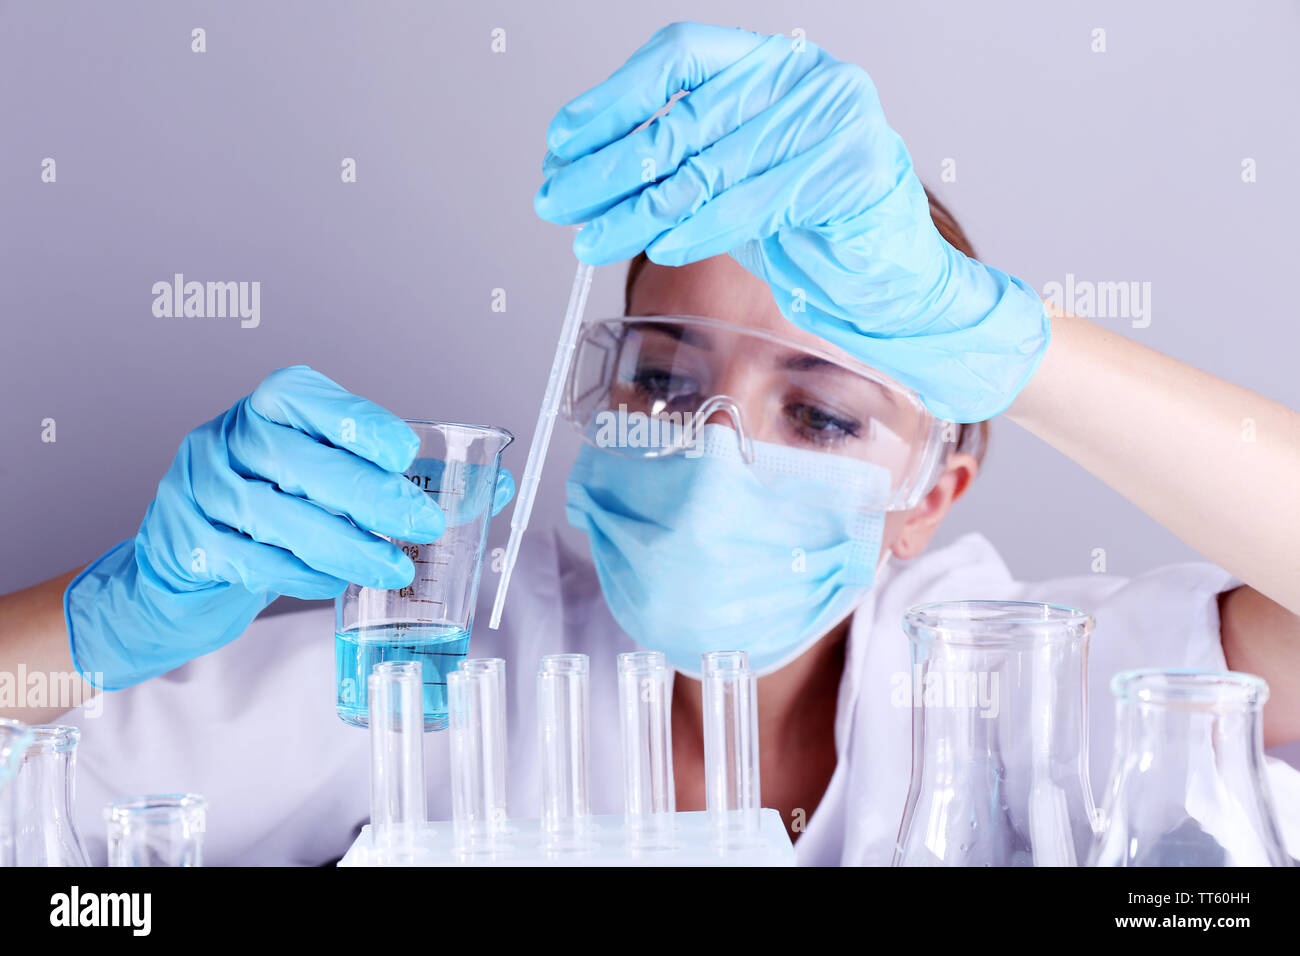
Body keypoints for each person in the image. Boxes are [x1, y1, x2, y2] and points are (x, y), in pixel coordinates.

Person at [2, 22, 1298, 866]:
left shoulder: (1026, 681)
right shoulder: (433, 673)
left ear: (931, 490)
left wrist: (1014, 347)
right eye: (667, 389)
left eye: (822, 412)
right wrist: (99, 628)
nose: (717, 449)